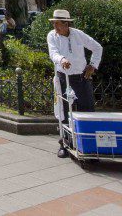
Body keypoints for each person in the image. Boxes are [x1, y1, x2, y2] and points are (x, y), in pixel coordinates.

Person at [46, 9, 102, 159]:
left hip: (81, 76)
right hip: (63, 77)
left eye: (58, 24)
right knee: (63, 110)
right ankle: (64, 143)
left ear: (66, 24)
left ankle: (88, 144)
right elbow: (53, 53)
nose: (55, 27)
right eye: (54, 24)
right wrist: (62, 60)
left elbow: (97, 47)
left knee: (87, 108)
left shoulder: (78, 34)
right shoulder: (52, 36)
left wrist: (92, 65)